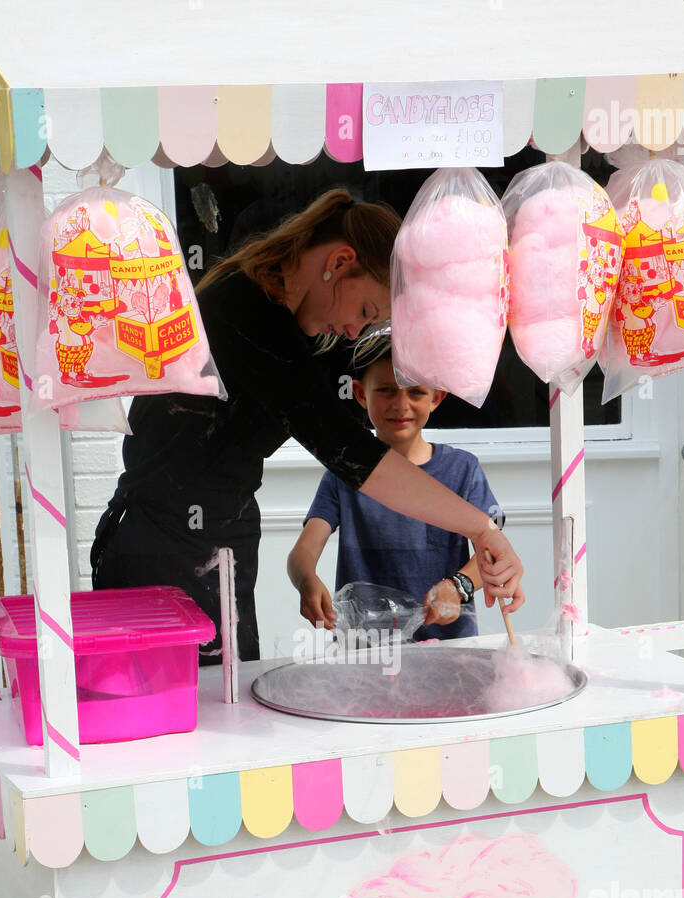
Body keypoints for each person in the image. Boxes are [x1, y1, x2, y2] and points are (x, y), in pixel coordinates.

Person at [91, 189, 524, 661]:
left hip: (216, 542)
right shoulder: (248, 316)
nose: (356, 331)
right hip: (165, 555)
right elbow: (356, 457)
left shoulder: (276, 322)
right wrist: (483, 529)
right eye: (364, 312)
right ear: (340, 262)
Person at [288, 338, 504, 640]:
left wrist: (458, 585)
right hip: (365, 656)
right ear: (361, 394)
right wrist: (306, 580)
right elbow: (303, 550)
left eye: (415, 392)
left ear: (437, 397)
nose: (401, 405)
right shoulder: (343, 474)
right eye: (386, 390)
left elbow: (494, 552)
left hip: (447, 651)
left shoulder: (463, 470)